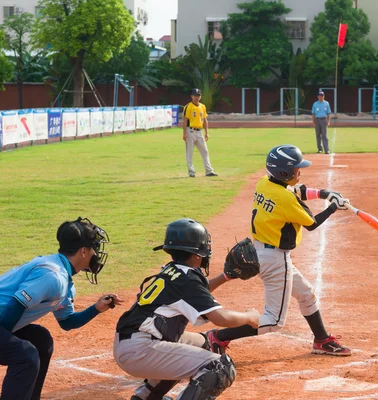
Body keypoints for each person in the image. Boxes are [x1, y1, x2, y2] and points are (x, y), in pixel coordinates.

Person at [205, 145, 352, 357]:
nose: (299, 172)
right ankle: (218, 337)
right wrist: (332, 208)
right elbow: (311, 223)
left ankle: (321, 340)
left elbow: (298, 190)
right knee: (273, 321)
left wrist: (325, 193)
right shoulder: (286, 199)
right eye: (296, 169)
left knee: (306, 295)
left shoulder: (264, 183)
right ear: (284, 173)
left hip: (261, 252)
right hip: (274, 259)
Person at [0, 217, 121, 400]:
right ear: (83, 251)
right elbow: (16, 304)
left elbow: (67, 322)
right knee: (25, 355)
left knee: (41, 340)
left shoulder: (64, 279)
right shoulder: (52, 275)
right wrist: (2, 340)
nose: (97, 254)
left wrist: (97, 308)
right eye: (94, 248)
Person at [114, 219, 260, 400]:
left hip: (133, 343)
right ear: (197, 255)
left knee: (203, 343)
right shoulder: (187, 279)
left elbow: (198, 292)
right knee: (219, 367)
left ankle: (146, 397)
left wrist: (226, 276)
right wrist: (249, 316)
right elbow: (220, 318)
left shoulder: (173, 270)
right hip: (140, 350)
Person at [182, 88, 218, 178]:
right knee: (189, 152)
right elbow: (185, 120)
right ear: (191, 96)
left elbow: (205, 120)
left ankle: (209, 171)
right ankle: (191, 172)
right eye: (195, 95)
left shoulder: (202, 106)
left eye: (198, 95)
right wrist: (184, 133)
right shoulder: (188, 106)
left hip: (199, 131)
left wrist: (206, 132)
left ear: (200, 96)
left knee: (205, 151)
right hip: (190, 131)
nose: (196, 97)